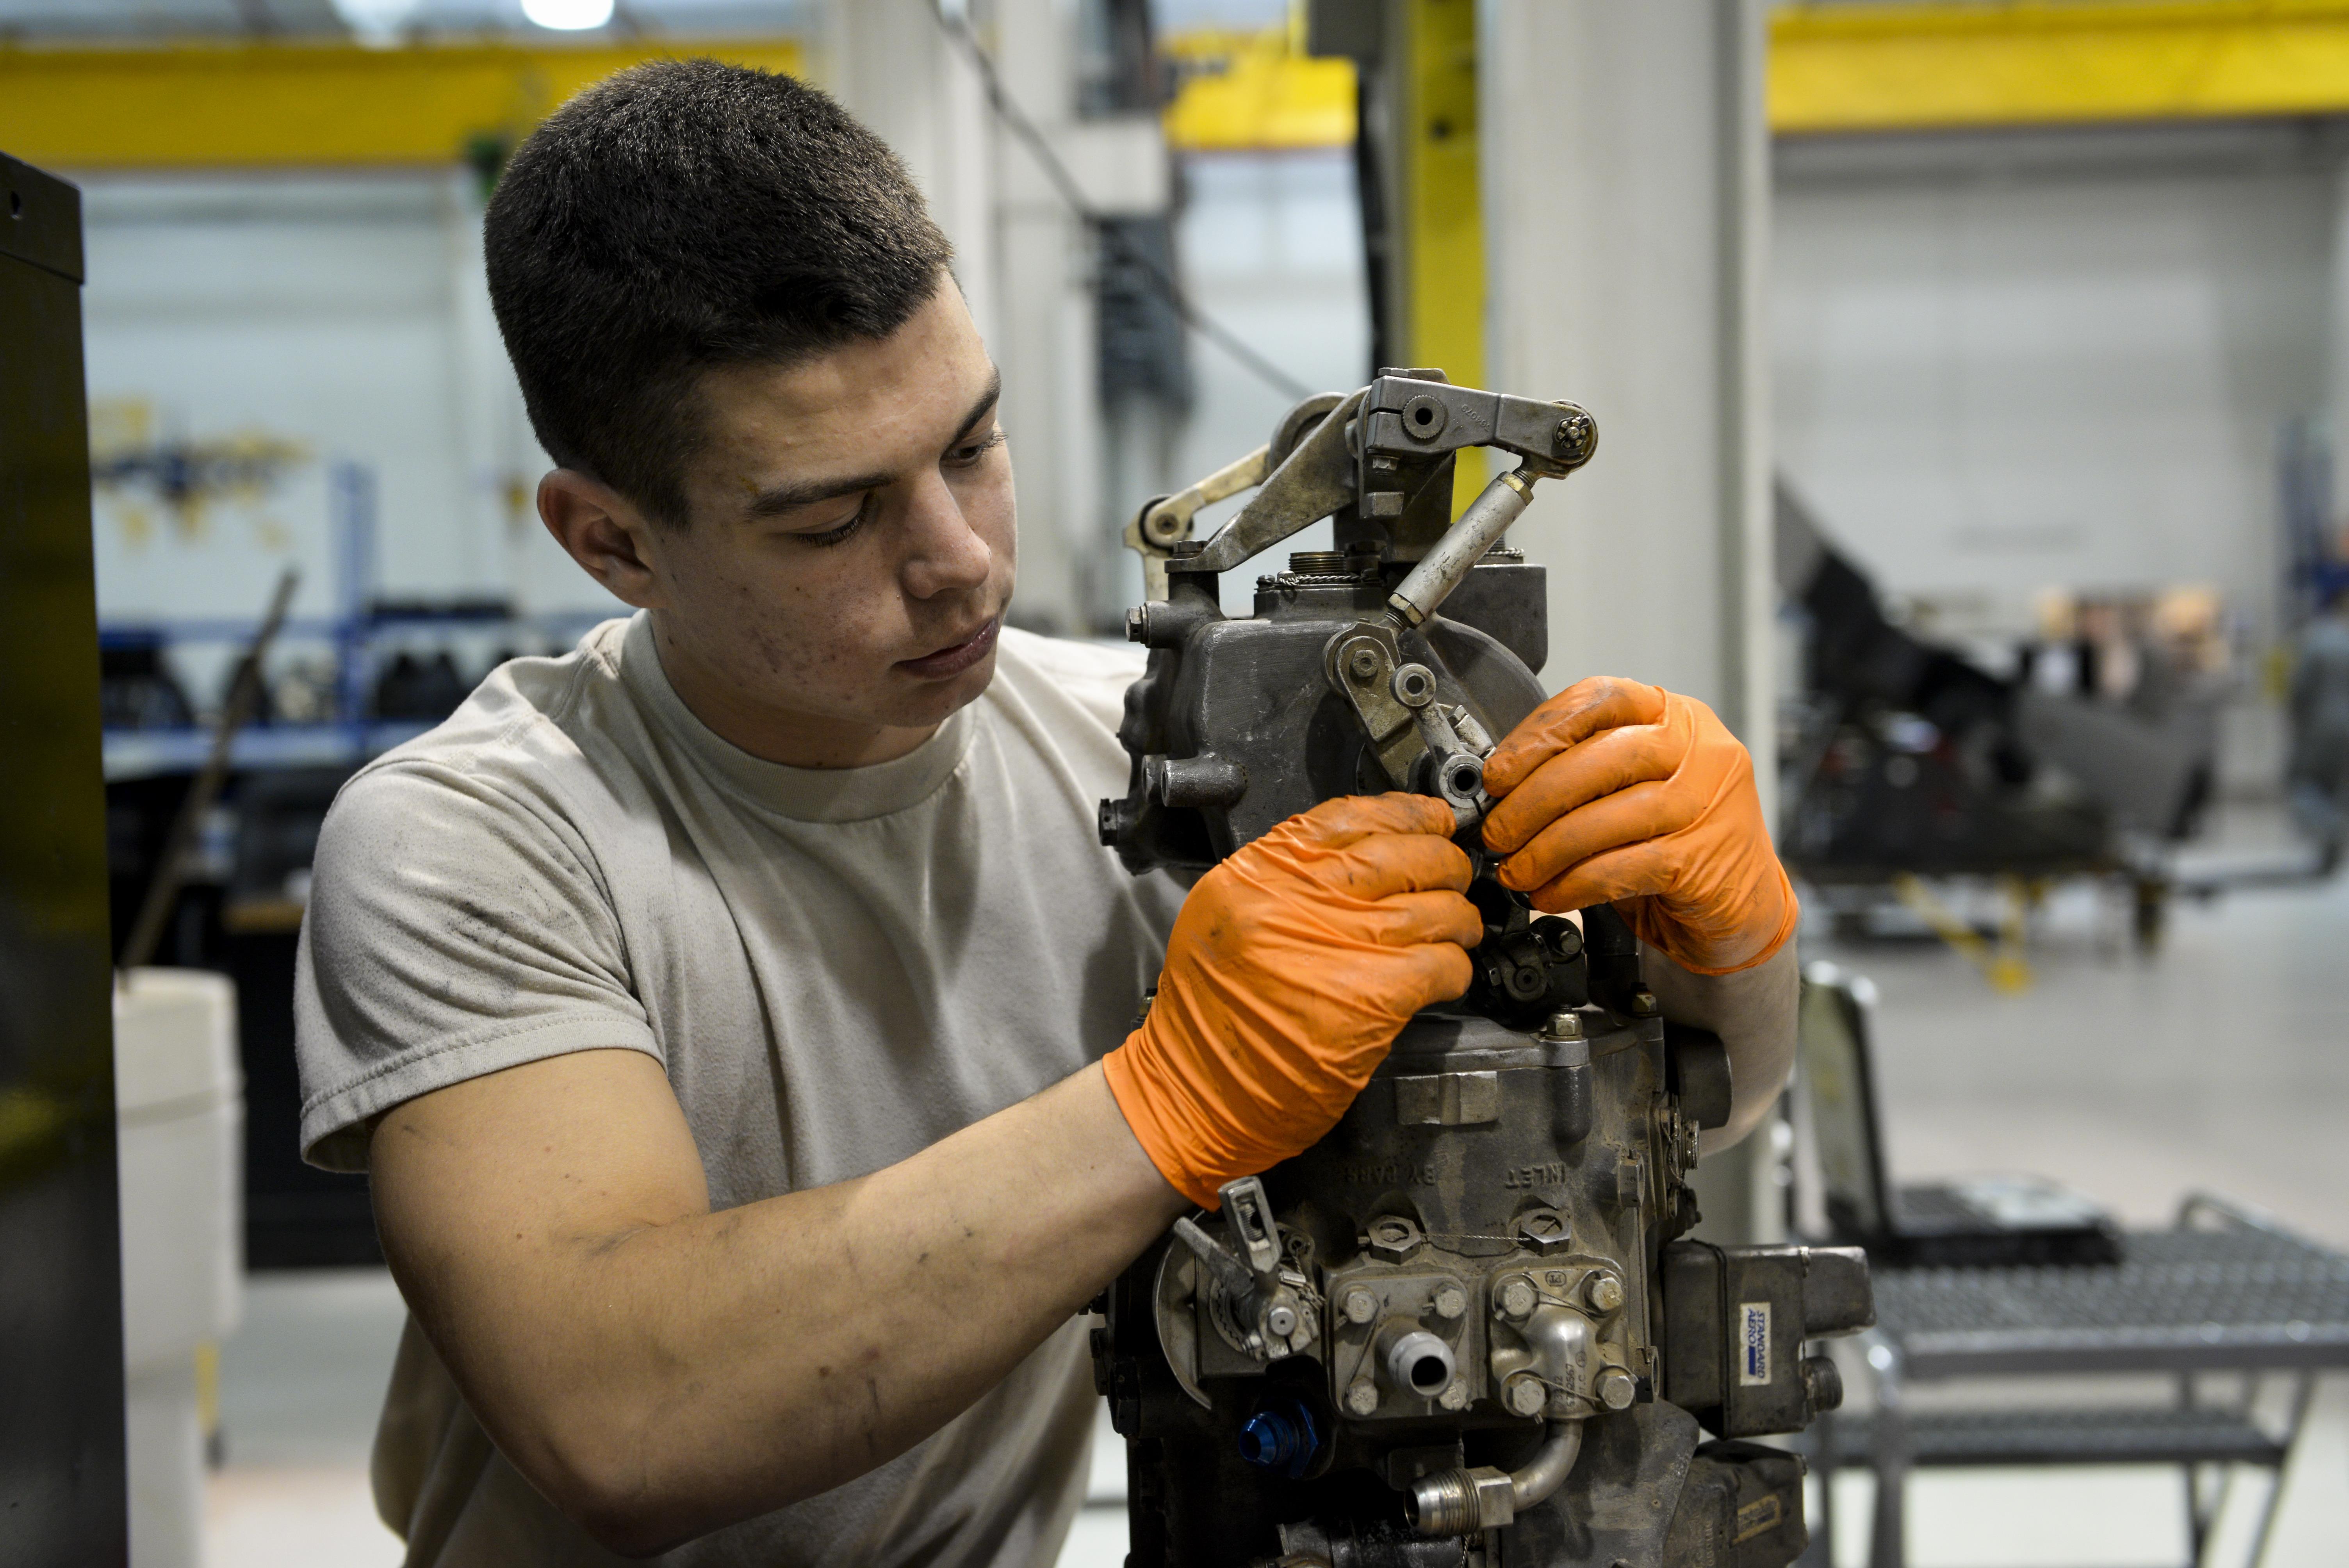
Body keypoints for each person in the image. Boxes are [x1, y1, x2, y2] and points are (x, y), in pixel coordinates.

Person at [294, 59, 1800, 1568]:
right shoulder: (471, 842)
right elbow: (618, 1415)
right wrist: (1161, 1105)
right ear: (611, 540)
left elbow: (1654, 1122)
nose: (956, 560)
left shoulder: (1159, 754)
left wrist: (1724, 941)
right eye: (831, 516)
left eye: (971, 444)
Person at [2289, 586, 2349, 871]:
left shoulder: (2320, 640)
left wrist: (2297, 723)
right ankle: (2332, 848)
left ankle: (2332, 833)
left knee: (2303, 785)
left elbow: (2301, 690)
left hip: (2322, 726)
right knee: (2339, 789)